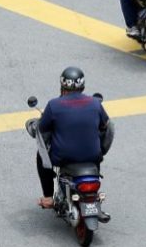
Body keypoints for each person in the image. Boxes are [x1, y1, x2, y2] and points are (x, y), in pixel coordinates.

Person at [35, 67, 110, 210]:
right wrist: (102, 149)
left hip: (62, 157)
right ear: (83, 86)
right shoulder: (95, 103)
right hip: (93, 156)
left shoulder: (53, 105)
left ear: (62, 86)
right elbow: (106, 126)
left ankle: (48, 197)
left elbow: (42, 128)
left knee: (41, 155)